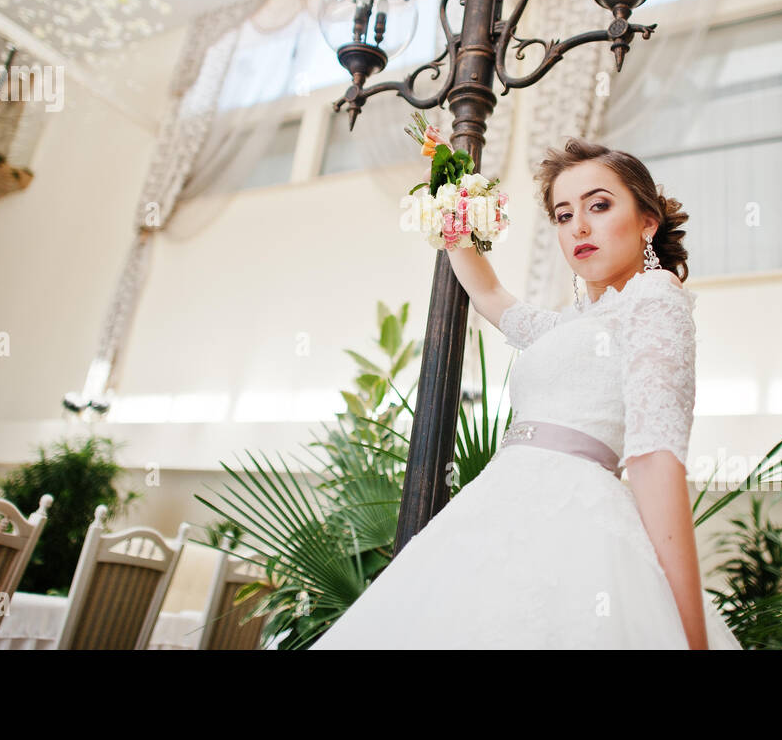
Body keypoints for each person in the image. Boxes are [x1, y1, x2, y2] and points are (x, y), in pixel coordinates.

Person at [310, 137, 743, 649]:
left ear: (648, 222)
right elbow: (491, 295)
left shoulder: (655, 299)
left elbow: (654, 456)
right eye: (563, 215)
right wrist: (452, 199)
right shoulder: (569, 324)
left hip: (574, 521)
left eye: (599, 206)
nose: (578, 226)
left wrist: (690, 636)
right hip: (495, 509)